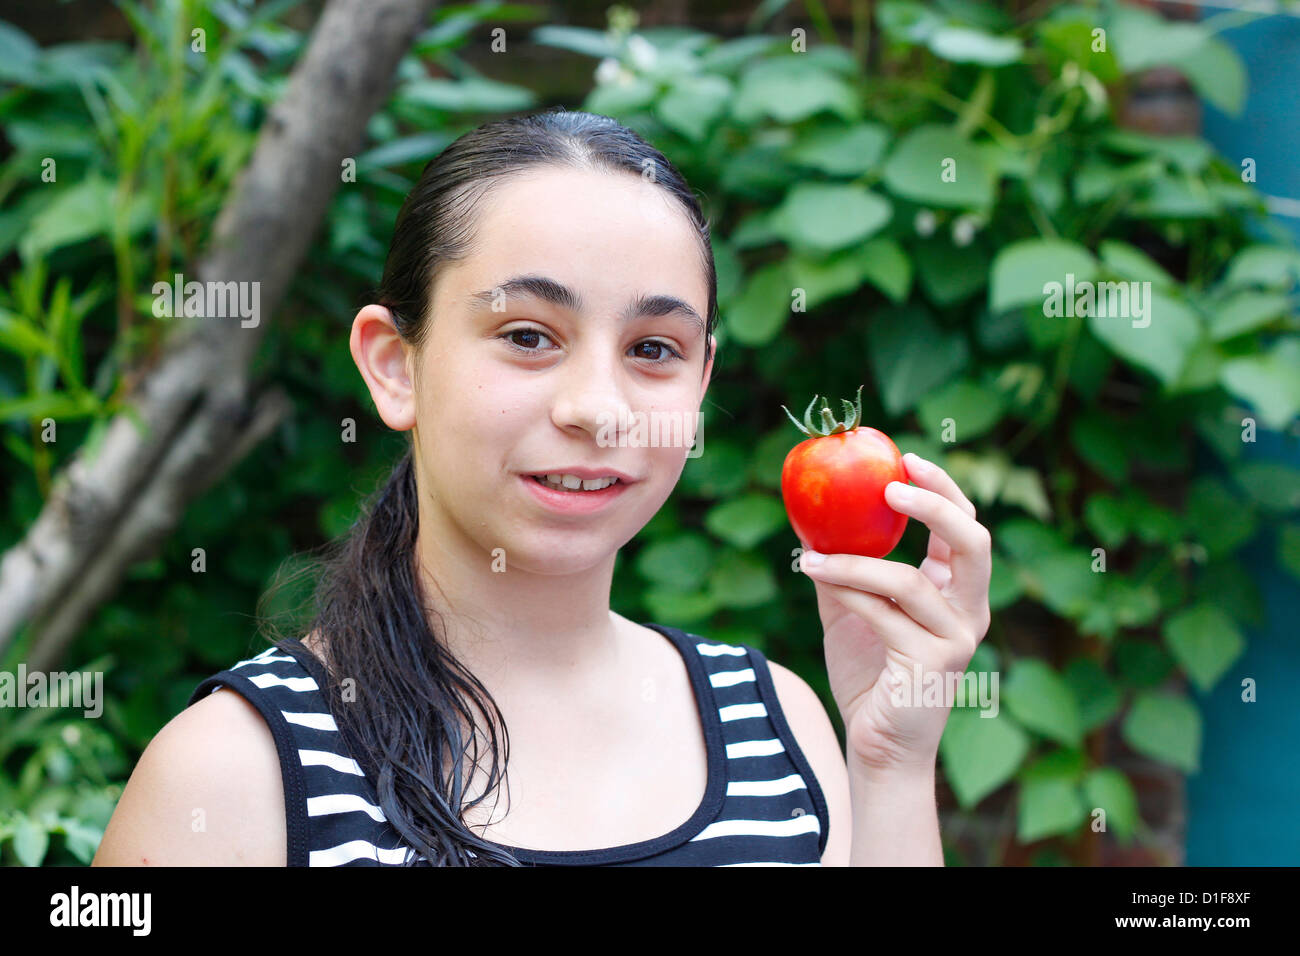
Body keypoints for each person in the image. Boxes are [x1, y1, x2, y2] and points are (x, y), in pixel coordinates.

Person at [93, 109, 991, 867]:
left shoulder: (781, 729)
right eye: (527, 335)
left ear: (701, 384)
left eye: (652, 350)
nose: (599, 409)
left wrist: (892, 766)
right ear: (394, 365)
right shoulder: (231, 776)